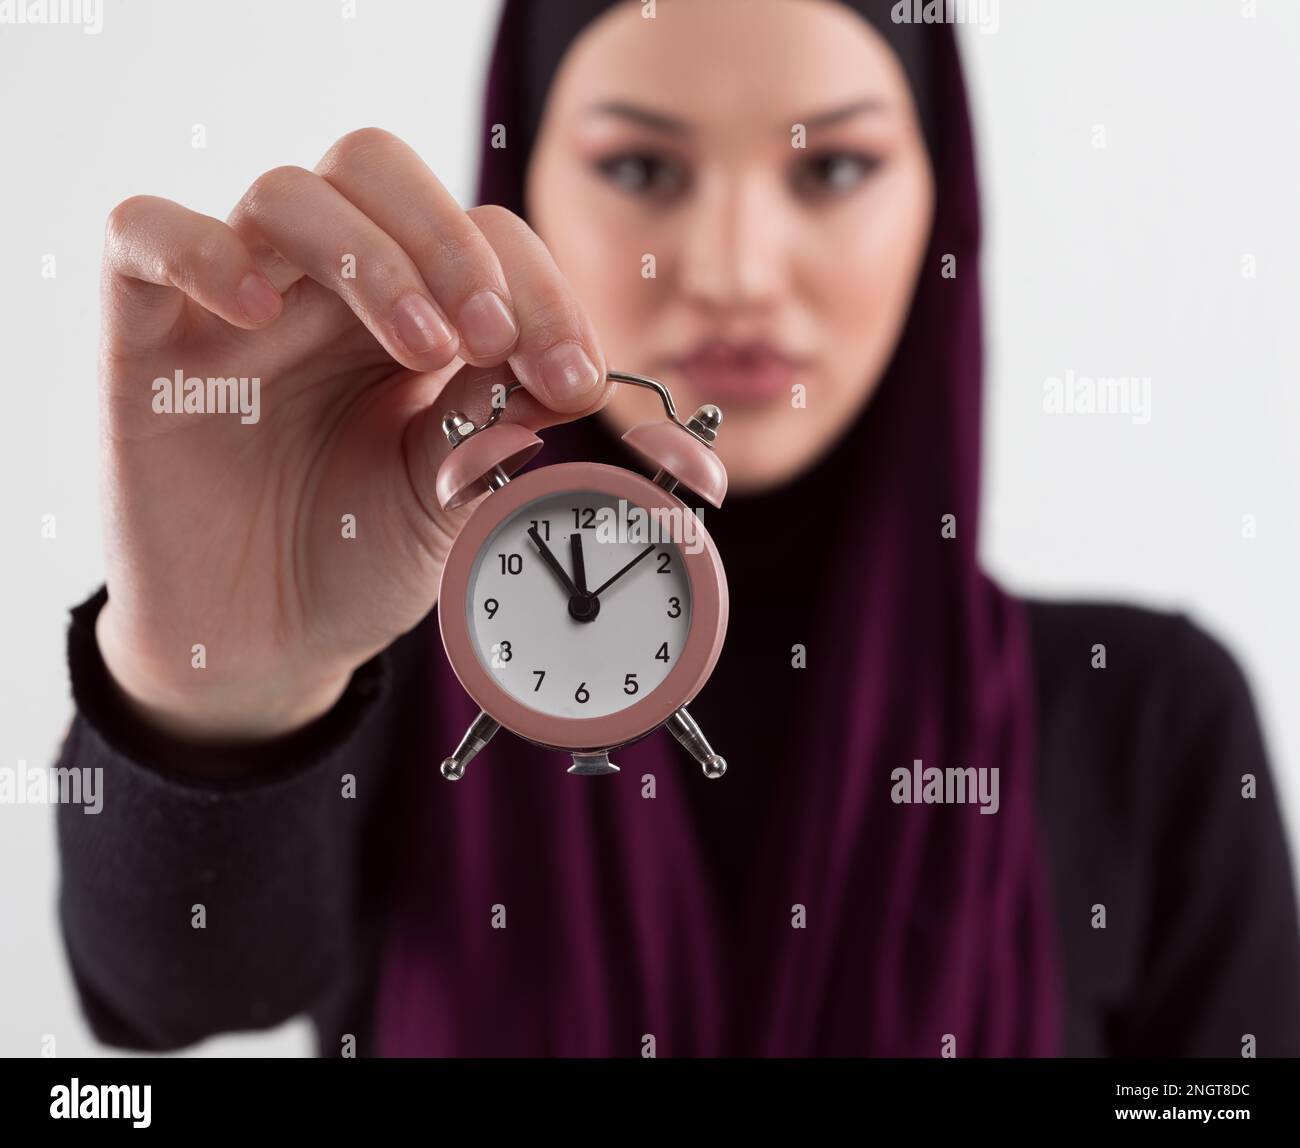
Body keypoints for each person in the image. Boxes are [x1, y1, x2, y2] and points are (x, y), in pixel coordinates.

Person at [55, 0, 1300, 1057]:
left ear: (945, 203)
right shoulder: (376, 672)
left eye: (833, 168)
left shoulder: (1147, 717)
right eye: (643, 168)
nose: (734, 266)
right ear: (519, 185)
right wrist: (218, 680)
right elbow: (171, 995)